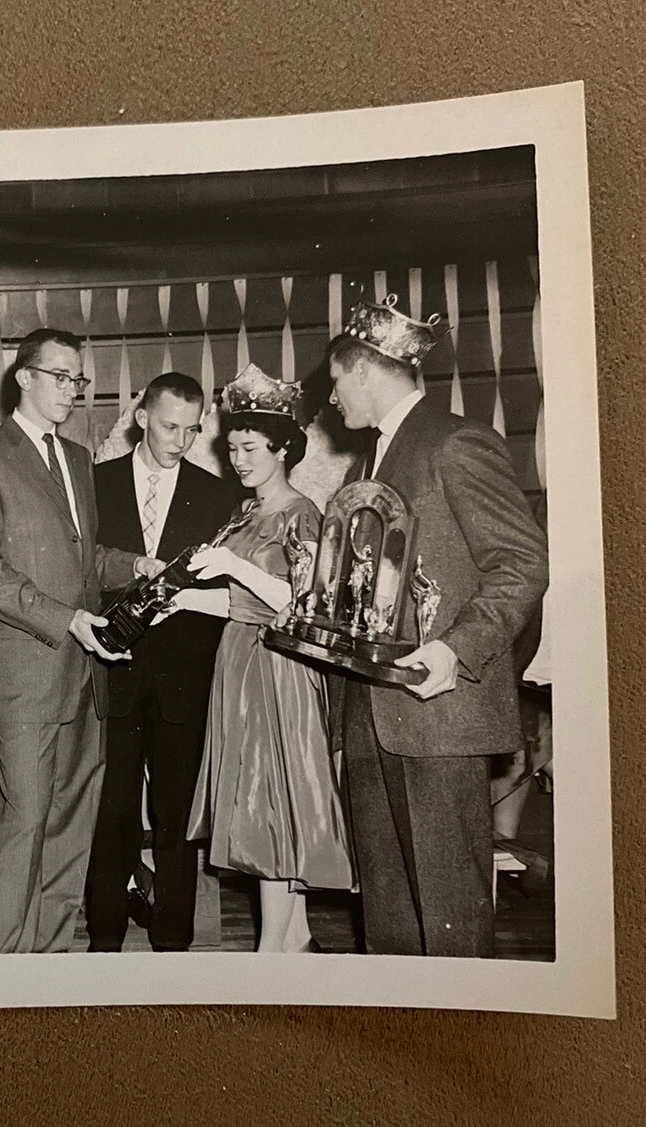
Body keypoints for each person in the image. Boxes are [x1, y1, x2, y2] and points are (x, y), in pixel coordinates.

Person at [326, 295, 549, 957]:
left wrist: (457, 649)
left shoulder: (455, 442)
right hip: (374, 719)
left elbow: (522, 563)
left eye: (336, 380)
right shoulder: (373, 459)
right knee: (390, 923)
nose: (332, 397)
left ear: (365, 371)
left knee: (449, 923)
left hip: (439, 715)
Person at [0, 328, 163, 954]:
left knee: (72, 822)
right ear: (25, 377)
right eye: (61, 376)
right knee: (25, 823)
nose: (72, 389)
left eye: (79, 379)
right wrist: (64, 619)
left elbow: (82, 558)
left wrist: (134, 566)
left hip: (84, 673)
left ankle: (45, 963)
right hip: (27, 670)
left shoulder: (75, 459)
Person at [179, 364, 355, 952]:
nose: (239, 460)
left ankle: (271, 953)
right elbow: (239, 604)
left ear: (283, 449)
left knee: (276, 807)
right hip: (242, 664)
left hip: (281, 670)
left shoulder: (302, 513)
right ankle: (295, 937)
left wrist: (232, 565)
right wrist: (177, 601)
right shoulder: (247, 513)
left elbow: (306, 603)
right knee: (258, 811)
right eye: (231, 449)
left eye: (251, 448)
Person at [86, 372, 239, 952]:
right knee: (112, 806)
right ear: (141, 415)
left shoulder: (221, 496)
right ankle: (104, 936)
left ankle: (174, 941)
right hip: (113, 671)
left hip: (184, 677)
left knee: (177, 813)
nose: (180, 440)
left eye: (192, 429)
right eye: (170, 426)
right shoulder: (92, 484)